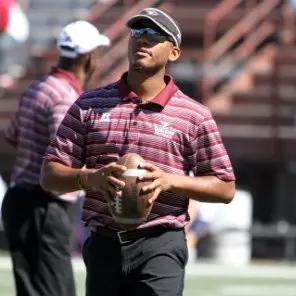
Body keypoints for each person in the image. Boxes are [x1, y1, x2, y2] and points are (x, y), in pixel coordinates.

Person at [40, 8, 236, 296]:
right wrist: (92, 178)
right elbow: (50, 175)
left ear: (174, 52)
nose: (142, 40)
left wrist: (169, 181)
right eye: (137, 33)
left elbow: (225, 186)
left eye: (154, 36)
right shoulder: (88, 104)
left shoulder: (194, 115)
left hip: (160, 244)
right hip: (104, 244)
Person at [1, 20, 110, 296]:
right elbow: (64, 157)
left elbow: (13, 135)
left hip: (20, 199)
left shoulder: (38, 87)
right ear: (88, 58)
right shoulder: (66, 96)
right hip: (44, 206)